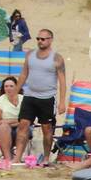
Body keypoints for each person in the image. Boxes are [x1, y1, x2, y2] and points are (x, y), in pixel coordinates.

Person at [14, 29, 66, 166]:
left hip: (47, 98)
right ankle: (17, 157)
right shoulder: (30, 55)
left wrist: (62, 103)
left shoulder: (57, 58)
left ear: (50, 40)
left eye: (43, 39)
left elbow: (62, 81)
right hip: (30, 95)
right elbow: (23, 75)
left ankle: (46, 158)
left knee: (47, 128)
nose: (40, 41)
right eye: (38, 39)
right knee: (23, 125)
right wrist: (15, 92)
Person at [0, 75, 24, 161]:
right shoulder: (0, 101)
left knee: (23, 126)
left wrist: (8, 121)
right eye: (6, 86)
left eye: (11, 86)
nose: (8, 88)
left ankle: (17, 158)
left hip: (21, 126)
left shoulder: (23, 99)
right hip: (4, 127)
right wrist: (15, 121)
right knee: (4, 127)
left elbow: (26, 119)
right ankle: (8, 159)